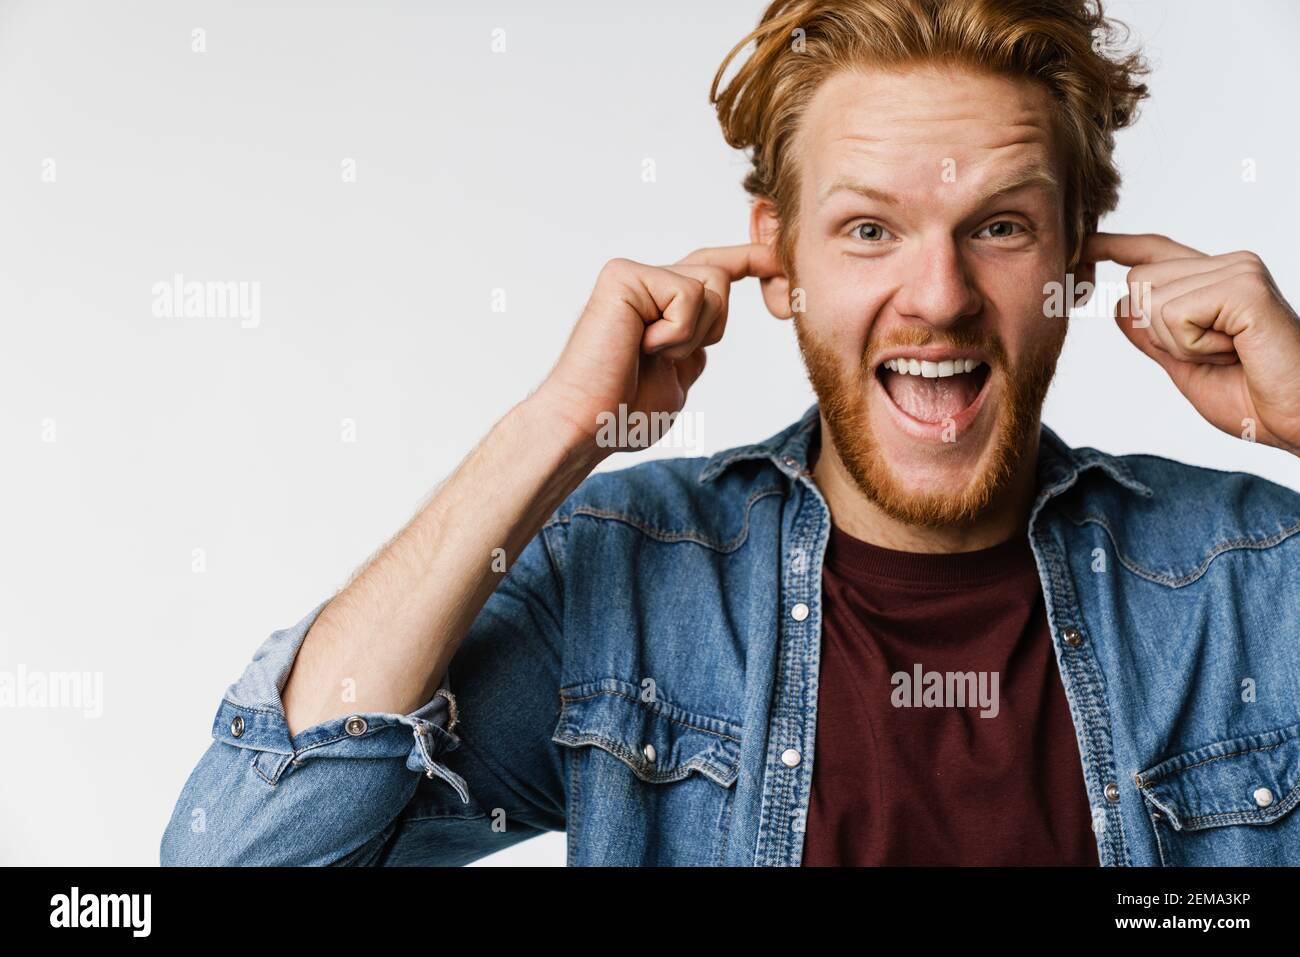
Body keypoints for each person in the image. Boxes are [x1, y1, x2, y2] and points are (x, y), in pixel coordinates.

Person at [161, 0, 1300, 867]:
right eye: (868, 230)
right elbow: (241, 855)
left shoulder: (1252, 580)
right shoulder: (630, 580)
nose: (940, 297)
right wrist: (556, 429)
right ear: (779, 260)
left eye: (999, 227)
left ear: (1077, 257)